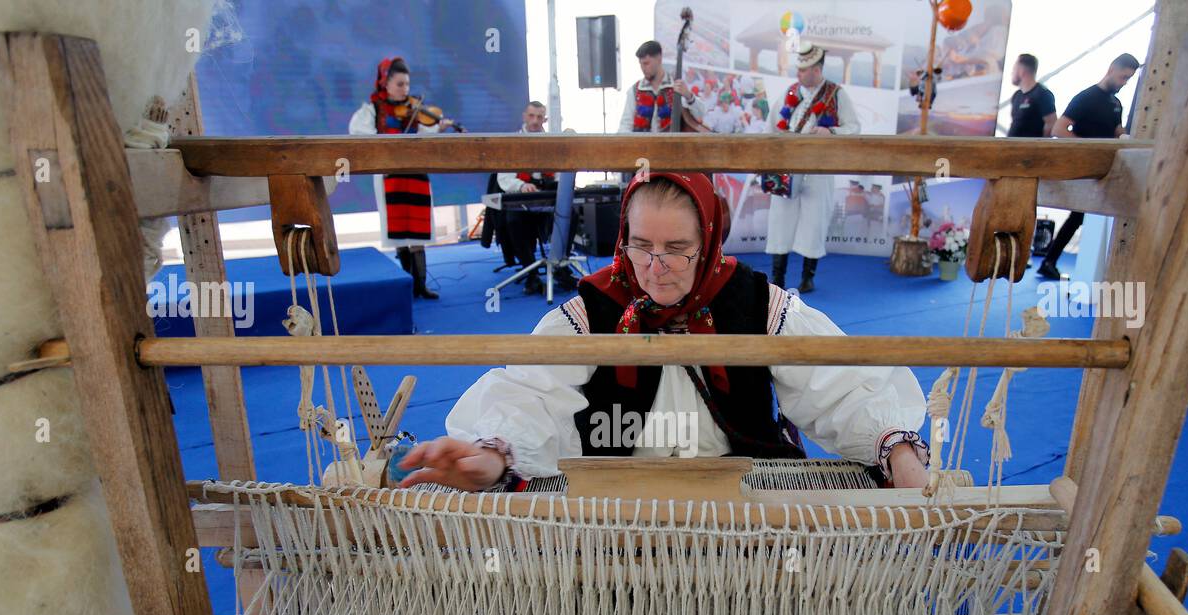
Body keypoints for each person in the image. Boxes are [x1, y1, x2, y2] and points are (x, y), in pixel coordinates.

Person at [394, 171, 930, 492]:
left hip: (745, 494)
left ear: (710, 240)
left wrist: (896, 449)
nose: (656, 265)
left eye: (677, 249)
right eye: (641, 245)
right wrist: (493, 453)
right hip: (626, 504)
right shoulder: (594, 311)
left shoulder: (753, 302)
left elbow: (836, 381)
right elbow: (533, 391)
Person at [348, 56, 453, 300]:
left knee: (418, 230)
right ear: (385, 83)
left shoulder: (414, 110)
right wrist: (384, 140)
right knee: (399, 232)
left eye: (407, 84)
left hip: (415, 176)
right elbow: (357, 131)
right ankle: (407, 284)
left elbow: (427, 132)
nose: (405, 89)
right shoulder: (373, 110)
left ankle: (420, 285)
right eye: (399, 84)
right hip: (390, 178)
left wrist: (439, 128)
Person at [764, 41, 860, 294]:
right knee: (780, 221)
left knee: (814, 223)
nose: (798, 74)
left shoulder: (836, 94)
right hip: (788, 168)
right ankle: (778, 277)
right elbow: (771, 128)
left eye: (804, 70)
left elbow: (853, 127)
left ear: (817, 70)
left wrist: (831, 130)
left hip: (819, 169)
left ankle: (808, 277)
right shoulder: (789, 93)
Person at [1037, 54, 1140, 281]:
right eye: (1123, 77)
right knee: (1078, 216)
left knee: (1081, 217)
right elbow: (1059, 129)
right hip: (1085, 169)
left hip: (1108, 168)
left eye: (1128, 80)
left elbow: (1116, 129)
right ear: (1112, 68)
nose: (1124, 83)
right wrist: (1086, 148)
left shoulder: (1116, 103)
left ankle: (1050, 260)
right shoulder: (1086, 97)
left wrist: (1128, 138)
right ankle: (1049, 260)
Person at [497, 101, 557, 295]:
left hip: (547, 200)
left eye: (539, 117)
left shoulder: (553, 143)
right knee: (513, 221)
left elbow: (560, 175)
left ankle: (559, 265)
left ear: (544, 119)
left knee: (569, 215)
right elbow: (504, 178)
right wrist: (522, 186)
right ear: (524, 116)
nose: (535, 121)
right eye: (531, 116)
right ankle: (531, 273)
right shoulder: (511, 143)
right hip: (522, 201)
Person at [619, 40, 704, 133]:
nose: (643, 68)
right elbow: (625, 124)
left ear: (659, 59)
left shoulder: (675, 87)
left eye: (646, 63)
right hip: (642, 146)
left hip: (670, 146)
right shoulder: (635, 90)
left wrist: (688, 96)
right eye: (641, 64)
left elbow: (700, 114)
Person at [1007, 54, 1056, 138]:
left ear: (1021, 70)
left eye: (1014, 68)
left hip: (1031, 149)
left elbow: (1051, 124)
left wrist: (1040, 147)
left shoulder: (1042, 94)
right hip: (1012, 148)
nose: (1011, 73)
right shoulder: (1017, 95)